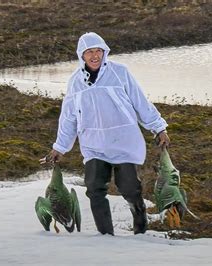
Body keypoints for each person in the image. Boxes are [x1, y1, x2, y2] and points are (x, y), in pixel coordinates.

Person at [43, 32, 170, 235]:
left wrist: (158, 127)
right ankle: (105, 236)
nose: (95, 56)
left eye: (98, 51)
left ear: (104, 52)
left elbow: (140, 102)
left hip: (123, 142)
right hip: (93, 145)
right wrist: (60, 147)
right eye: (90, 52)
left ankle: (140, 230)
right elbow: (69, 117)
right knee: (94, 189)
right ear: (81, 55)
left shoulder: (120, 72)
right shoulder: (75, 82)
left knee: (129, 188)